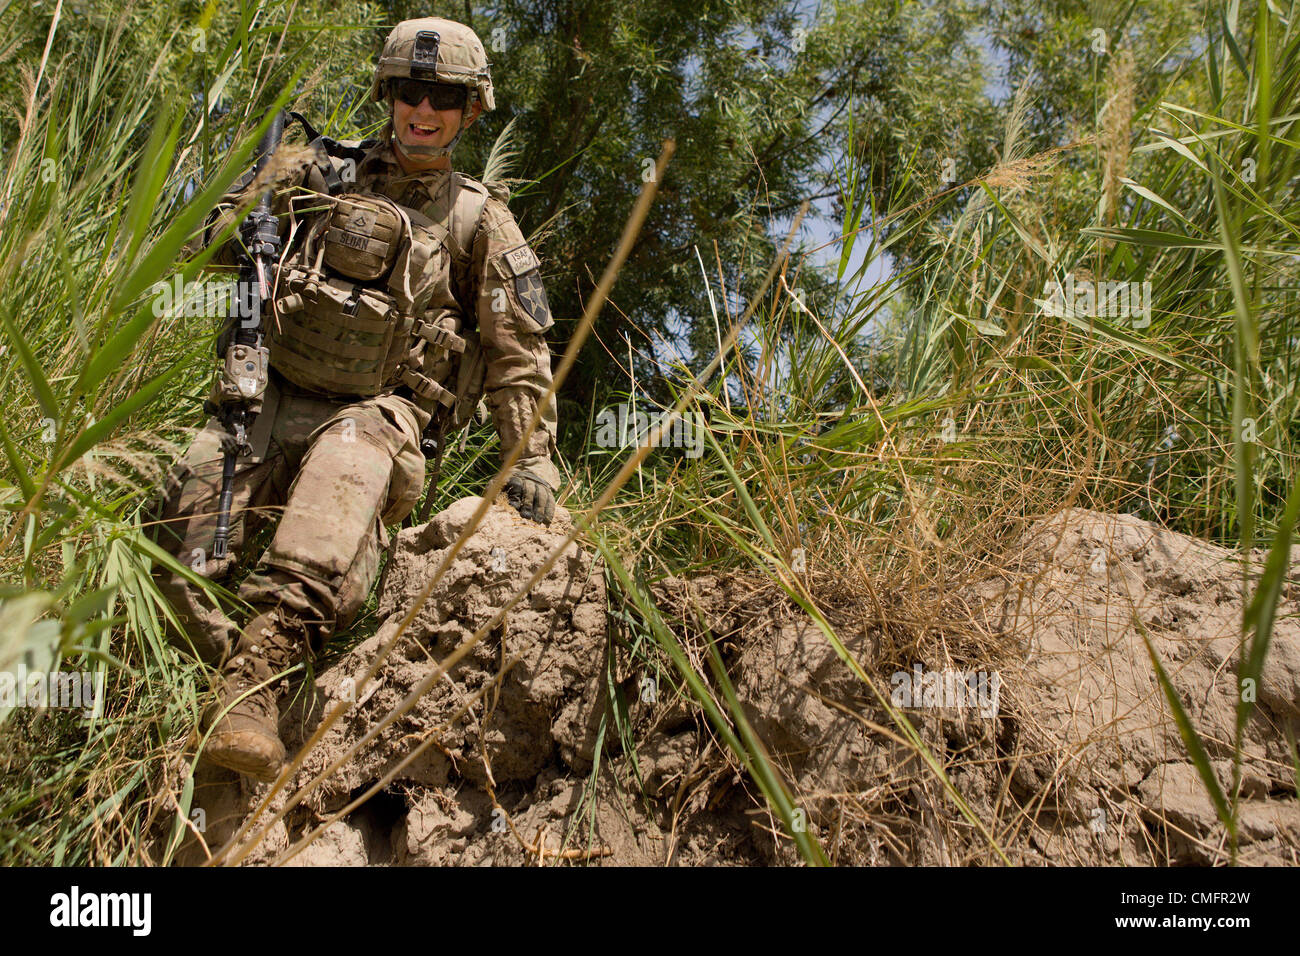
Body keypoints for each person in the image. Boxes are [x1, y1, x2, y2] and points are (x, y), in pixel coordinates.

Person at [150, 17, 560, 782]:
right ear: (387, 93)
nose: (424, 110)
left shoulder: (479, 222)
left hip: (378, 413)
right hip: (265, 395)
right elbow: (200, 246)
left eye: (443, 96)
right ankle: (195, 673)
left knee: (339, 502)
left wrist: (531, 459)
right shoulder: (319, 169)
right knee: (179, 529)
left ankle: (252, 689)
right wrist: (249, 207)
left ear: (471, 110)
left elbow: (518, 352)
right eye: (411, 90)